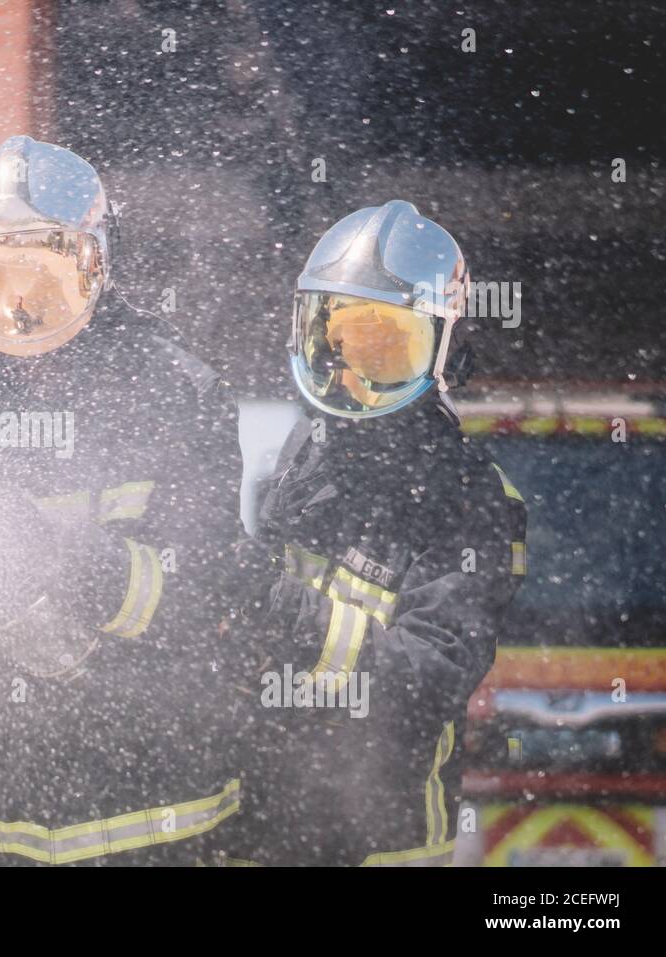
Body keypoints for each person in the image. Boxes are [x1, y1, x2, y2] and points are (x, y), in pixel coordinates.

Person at [0, 135, 248, 865]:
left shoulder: (177, 394)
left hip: (164, 822)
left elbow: (212, 591)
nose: (20, 303)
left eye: (44, 271)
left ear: (96, 260)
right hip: (0, 832)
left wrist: (60, 562)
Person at [233, 199, 528, 865]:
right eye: (335, 344)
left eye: (384, 350)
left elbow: (427, 678)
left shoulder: (468, 498)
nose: (350, 380)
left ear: (441, 348)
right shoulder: (306, 448)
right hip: (263, 828)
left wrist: (283, 614)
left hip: (379, 842)